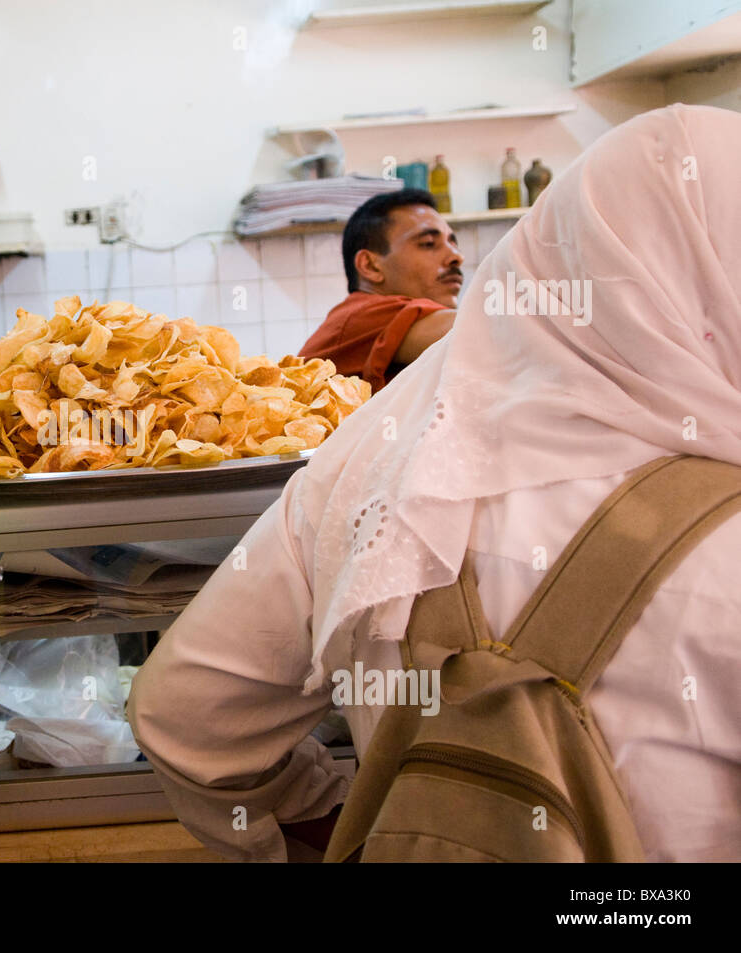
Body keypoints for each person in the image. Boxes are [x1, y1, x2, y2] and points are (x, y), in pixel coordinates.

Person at [127, 104, 741, 862]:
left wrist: (329, 824)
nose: (453, 257)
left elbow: (183, 713)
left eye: (458, 242)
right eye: (429, 241)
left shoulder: (360, 465)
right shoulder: (377, 320)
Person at [298, 188, 463, 391]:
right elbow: (485, 330)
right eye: (428, 244)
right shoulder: (363, 314)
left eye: (453, 243)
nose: (456, 257)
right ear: (370, 266)